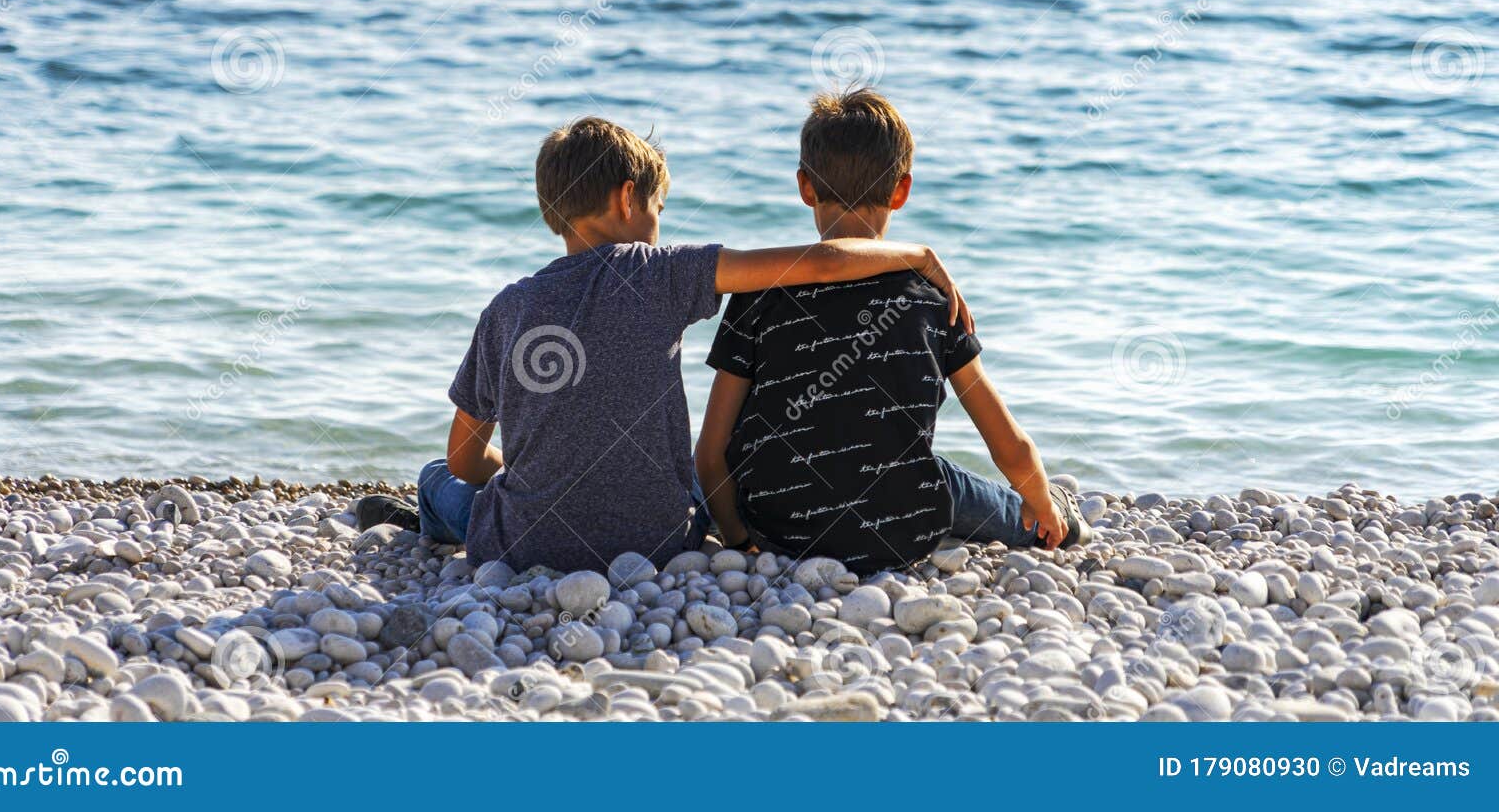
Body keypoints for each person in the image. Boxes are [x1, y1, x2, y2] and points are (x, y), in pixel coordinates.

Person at [356, 115, 974, 574]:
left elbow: (465, 458)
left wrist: (526, 478)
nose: (658, 224)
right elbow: (820, 263)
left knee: (439, 477)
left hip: (525, 543)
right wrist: (917, 254)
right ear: (629, 198)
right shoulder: (659, 273)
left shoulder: (506, 309)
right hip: (660, 540)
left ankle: (429, 522)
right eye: (657, 207)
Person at [694, 88, 1088, 575]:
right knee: (942, 479)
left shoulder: (758, 293)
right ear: (902, 191)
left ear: (804, 187)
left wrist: (740, 540)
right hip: (902, 531)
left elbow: (711, 454)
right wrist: (1040, 500)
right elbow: (1007, 444)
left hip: (778, 526)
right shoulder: (932, 297)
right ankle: (1054, 519)